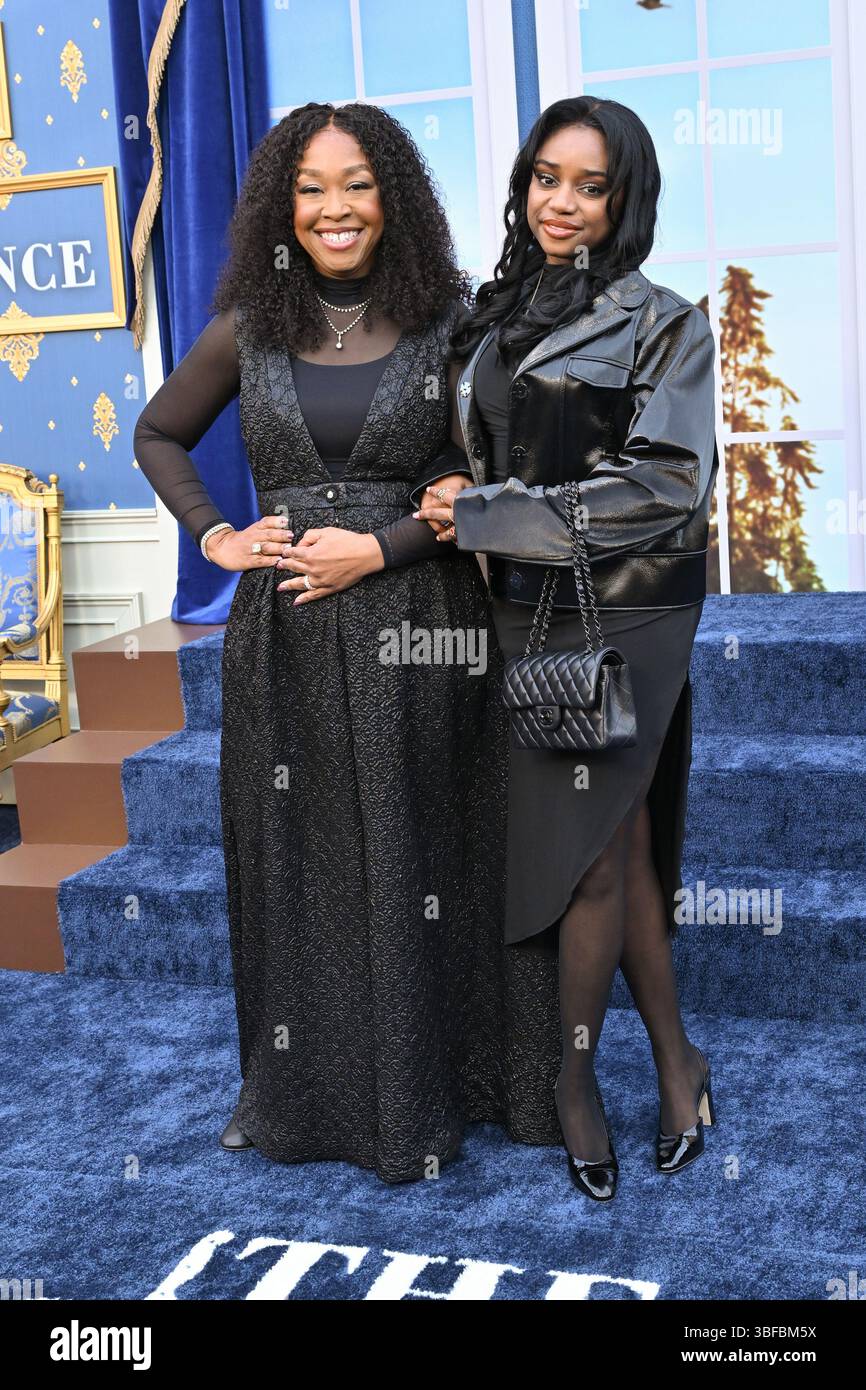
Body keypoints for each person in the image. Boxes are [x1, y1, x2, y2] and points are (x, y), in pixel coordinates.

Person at [133, 102, 561, 1184]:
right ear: (283, 207)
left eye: (358, 184)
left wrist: (379, 547)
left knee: (433, 853)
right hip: (286, 640)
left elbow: (480, 485)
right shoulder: (249, 324)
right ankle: (302, 1093)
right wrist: (217, 535)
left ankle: (446, 1090)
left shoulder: (450, 322)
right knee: (301, 862)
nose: (336, 208)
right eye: (313, 188)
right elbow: (159, 431)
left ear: (393, 198)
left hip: (422, 629)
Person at [416, 95, 719, 1200]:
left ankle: (574, 1081)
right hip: (519, 606)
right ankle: (678, 1064)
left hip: (627, 611)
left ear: (625, 201)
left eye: (591, 186)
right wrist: (457, 487)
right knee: (618, 850)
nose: (562, 202)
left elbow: (664, 485)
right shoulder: (488, 315)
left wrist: (487, 512)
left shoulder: (666, 322)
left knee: (594, 854)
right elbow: (468, 442)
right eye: (547, 177)